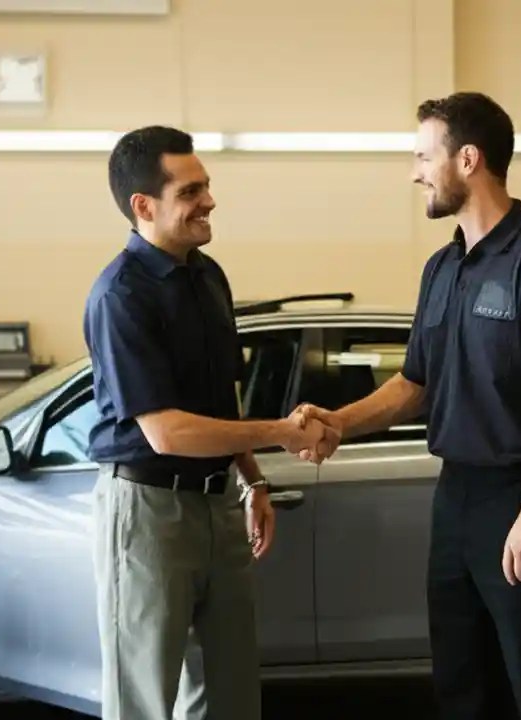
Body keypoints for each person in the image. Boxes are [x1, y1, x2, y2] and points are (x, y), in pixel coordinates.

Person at [290, 92, 521, 720]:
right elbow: (415, 384)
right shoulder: (442, 267)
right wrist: (336, 422)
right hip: (455, 497)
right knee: (463, 684)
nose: (415, 172)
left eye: (424, 156)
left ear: (468, 159)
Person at [83, 125, 334, 720]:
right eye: (191, 191)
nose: (210, 201)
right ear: (144, 206)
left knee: (230, 693)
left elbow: (221, 395)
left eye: (208, 186)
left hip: (218, 503)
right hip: (148, 513)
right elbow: (166, 432)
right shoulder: (120, 296)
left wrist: (253, 480)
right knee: (143, 697)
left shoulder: (208, 276)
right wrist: (279, 432)